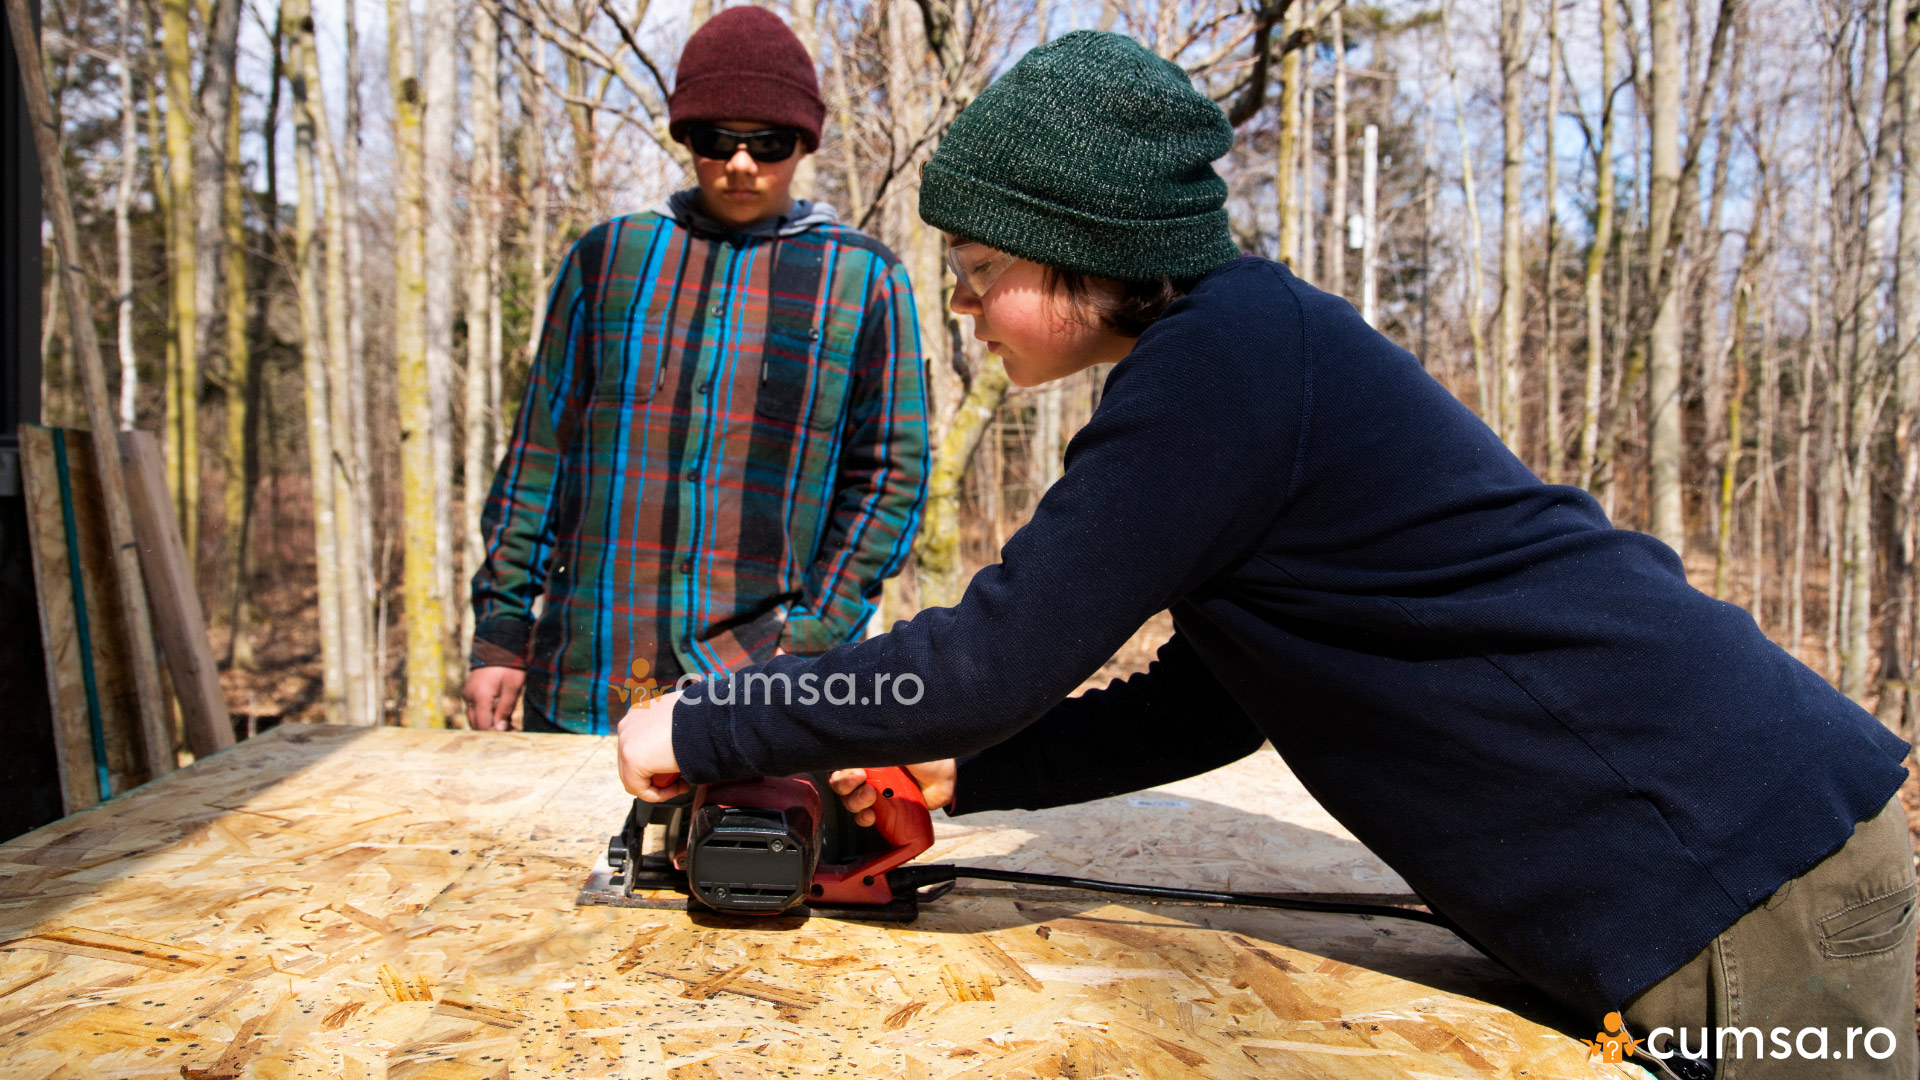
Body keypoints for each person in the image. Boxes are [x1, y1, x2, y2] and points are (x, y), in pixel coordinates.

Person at [614, 29, 1916, 1080]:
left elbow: (993, 656)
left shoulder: (1221, 369)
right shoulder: (1248, 354)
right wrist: (969, 773)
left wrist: (714, 719)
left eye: (982, 263)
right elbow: (1214, 699)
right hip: (1720, 872)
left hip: (1742, 884)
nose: (959, 301)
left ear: (1091, 258)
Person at [464, 7, 929, 735]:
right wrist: (501, 632)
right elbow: (536, 459)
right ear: (687, 136)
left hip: (759, 695)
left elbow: (892, 475)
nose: (742, 164)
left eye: (768, 143)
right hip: (586, 682)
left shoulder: (864, 280)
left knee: (749, 853)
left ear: (802, 143)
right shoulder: (607, 261)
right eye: (719, 140)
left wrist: (813, 635)